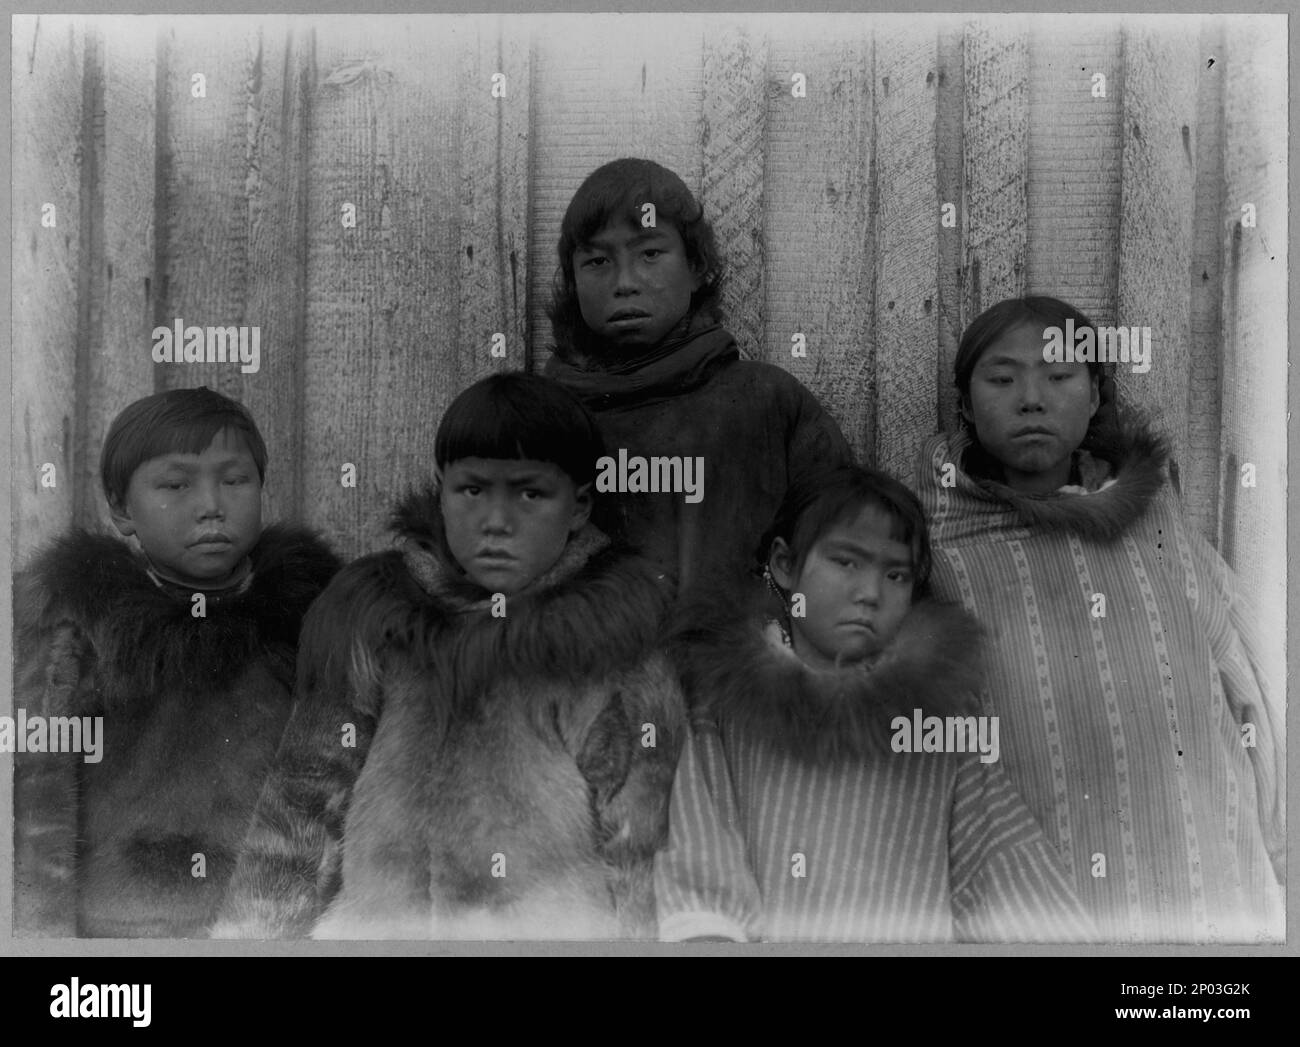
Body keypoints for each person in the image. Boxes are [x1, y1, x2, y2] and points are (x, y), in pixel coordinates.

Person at [216, 373, 683, 939]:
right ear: (441, 490)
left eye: (530, 493)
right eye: (473, 490)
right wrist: (251, 942)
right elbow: (303, 798)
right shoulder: (376, 614)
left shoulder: (610, 635)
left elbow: (639, 832)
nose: (496, 521)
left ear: (580, 505)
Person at [914, 296, 1284, 941]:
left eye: (1059, 377)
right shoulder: (929, 546)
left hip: (1193, 875)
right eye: (1002, 379)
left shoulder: (1154, 520)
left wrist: (1282, 843)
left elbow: (1254, 681)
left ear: (1094, 397)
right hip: (1027, 882)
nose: (1032, 398)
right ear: (967, 409)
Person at [654, 466, 1092, 942]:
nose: (869, 593)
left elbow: (1001, 859)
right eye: (846, 562)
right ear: (784, 563)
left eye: (896, 574)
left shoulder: (932, 720)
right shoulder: (724, 702)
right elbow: (700, 852)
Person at [12, 387, 340, 937]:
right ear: (122, 510)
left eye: (235, 480)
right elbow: (32, 802)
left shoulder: (311, 619)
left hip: (268, 928)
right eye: (176, 484)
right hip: (113, 934)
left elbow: (331, 788)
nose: (211, 504)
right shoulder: (76, 625)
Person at [544, 157, 853, 596]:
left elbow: (849, 546)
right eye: (597, 261)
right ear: (573, 282)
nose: (625, 282)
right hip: (599, 660)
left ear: (695, 268)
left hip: (743, 658)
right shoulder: (544, 415)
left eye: (650, 253)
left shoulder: (765, 400)